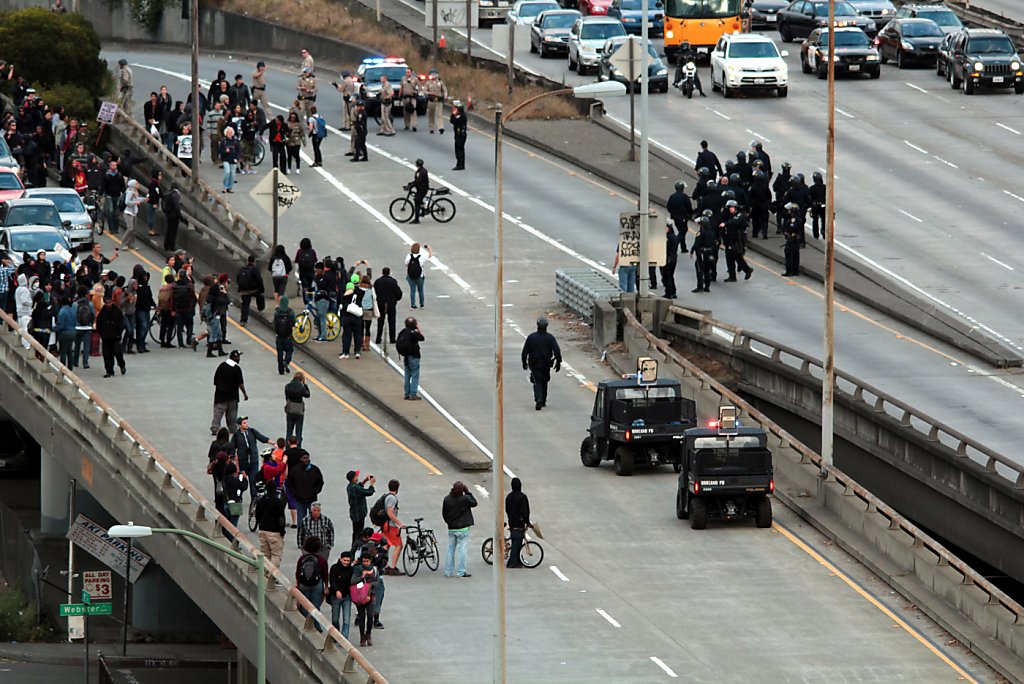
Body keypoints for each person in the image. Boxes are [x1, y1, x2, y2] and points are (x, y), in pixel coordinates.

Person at [521, 317, 562, 411]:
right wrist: (558, 362)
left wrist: (524, 362)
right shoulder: (550, 338)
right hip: (546, 362)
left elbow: (525, 351)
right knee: (544, 380)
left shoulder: (531, 337)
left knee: (537, 381)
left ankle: (538, 399)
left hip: (534, 363)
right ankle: (543, 400)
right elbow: (556, 351)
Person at [441, 481, 477, 578]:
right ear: (462, 489)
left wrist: (449, 522)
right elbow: (474, 503)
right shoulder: (465, 499)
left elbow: (444, 513)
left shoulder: (447, 499)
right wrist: (468, 492)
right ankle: (461, 571)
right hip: (463, 528)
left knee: (450, 550)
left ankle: (448, 571)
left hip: (452, 528)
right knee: (462, 550)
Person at [230, 416, 270, 498]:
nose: (246, 424)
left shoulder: (252, 431)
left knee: (253, 481)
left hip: (253, 462)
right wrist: (234, 462)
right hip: (242, 462)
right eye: (244, 423)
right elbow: (232, 449)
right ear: (239, 425)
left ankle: (254, 499)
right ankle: (238, 497)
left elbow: (261, 437)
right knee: (240, 482)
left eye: (246, 422)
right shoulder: (236, 436)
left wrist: (273, 443)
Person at [295, 536, 328, 631]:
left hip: (304, 585)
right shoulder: (321, 560)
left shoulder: (302, 559)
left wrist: (298, 585)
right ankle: (317, 627)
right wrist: (326, 586)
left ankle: (307, 624)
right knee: (315, 607)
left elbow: (297, 573)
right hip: (317, 585)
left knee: (305, 606)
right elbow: (325, 574)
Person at [211, 349, 247, 436]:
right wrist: (245, 394)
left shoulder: (221, 366)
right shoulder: (236, 369)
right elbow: (240, 383)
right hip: (232, 396)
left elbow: (215, 381)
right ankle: (232, 429)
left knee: (218, 412)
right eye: (238, 357)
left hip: (220, 395)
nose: (239, 358)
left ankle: (214, 428)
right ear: (235, 357)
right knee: (232, 414)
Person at [720, 200, 753, 282]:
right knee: (729, 258)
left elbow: (735, 221)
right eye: (729, 208)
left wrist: (726, 224)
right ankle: (732, 276)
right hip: (729, 239)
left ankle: (747, 269)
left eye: (732, 207)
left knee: (736, 255)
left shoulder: (740, 215)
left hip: (737, 239)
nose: (730, 209)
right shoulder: (729, 215)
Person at [351, 550, 378, 647]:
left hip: (371, 596)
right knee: (361, 616)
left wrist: (369, 585)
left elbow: (377, 582)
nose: (365, 563)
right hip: (360, 596)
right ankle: (362, 636)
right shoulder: (357, 569)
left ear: (370, 561)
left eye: (367, 561)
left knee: (370, 616)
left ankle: (368, 634)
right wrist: (362, 577)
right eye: (363, 561)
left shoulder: (374, 570)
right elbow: (353, 582)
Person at [256, 484, 287, 570]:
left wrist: (260, 524)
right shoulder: (278, 502)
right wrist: (282, 531)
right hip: (274, 531)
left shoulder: (261, 501)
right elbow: (281, 518)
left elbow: (257, 515)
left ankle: (264, 573)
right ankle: (271, 576)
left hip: (262, 530)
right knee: (276, 555)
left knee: (265, 554)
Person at [95, 299, 126, 378]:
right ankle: (109, 371)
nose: (108, 305)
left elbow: (121, 324)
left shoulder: (117, 312)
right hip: (106, 338)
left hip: (115, 337)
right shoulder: (103, 312)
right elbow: (99, 323)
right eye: (106, 303)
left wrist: (119, 334)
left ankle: (122, 365)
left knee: (118, 353)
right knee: (107, 355)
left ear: (112, 302)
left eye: (109, 303)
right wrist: (102, 333)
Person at [396, 316, 424, 401]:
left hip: (406, 356)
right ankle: (413, 394)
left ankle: (406, 393)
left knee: (407, 375)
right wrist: (418, 329)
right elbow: (422, 338)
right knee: (415, 375)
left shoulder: (403, 332)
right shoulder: (414, 333)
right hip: (414, 356)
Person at [505, 477, 531, 569]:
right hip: (519, 523)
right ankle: (512, 562)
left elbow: (507, 509)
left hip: (511, 522)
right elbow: (525, 512)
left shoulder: (509, 497)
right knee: (517, 542)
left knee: (515, 541)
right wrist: (527, 522)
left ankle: (517, 559)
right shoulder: (522, 497)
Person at [380, 479, 404, 575]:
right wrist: (399, 523)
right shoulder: (392, 498)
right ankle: (393, 567)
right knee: (399, 545)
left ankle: (385, 566)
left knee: (387, 544)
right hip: (390, 525)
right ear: (397, 488)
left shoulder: (386, 496)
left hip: (384, 524)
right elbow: (390, 513)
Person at [346, 471, 376, 550]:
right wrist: (371, 484)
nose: (357, 476)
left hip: (354, 513)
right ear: (353, 478)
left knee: (355, 532)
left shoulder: (350, 486)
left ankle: (354, 547)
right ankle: (356, 548)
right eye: (356, 476)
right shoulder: (355, 488)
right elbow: (368, 492)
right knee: (358, 533)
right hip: (359, 514)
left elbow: (359, 487)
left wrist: (365, 481)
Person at [328, 551, 355, 639]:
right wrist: (337, 590)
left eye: (348, 561)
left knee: (346, 619)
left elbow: (352, 583)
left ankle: (344, 638)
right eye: (344, 560)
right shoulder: (334, 568)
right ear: (340, 559)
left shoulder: (351, 570)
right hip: (335, 597)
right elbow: (332, 581)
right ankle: (336, 635)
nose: (346, 562)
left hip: (347, 597)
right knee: (335, 619)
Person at [372, 267, 402, 345]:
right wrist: (396, 300)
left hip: (381, 303)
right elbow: (398, 293)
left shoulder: (378, 281)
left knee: (380, 321)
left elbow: (374, 292)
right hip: (391, 304)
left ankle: (378, 338)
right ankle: (392, 338)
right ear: (389, 272)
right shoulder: (393, 281)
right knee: (392, 321)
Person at [236, 254, 265, 325]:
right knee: (260, 296)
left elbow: (238, 278)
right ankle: (260, 309)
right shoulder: (255, 269)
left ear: (247, 261)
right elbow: (259, 280)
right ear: (254, 261)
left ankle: (243, 320)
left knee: (245, 305)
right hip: (253, 290)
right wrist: (262, 289)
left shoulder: (242, 269)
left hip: (243, 291)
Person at [690, 216, 716, 293]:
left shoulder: (701, 232)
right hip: (709, 252)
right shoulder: (712, 232)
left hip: (701, 253)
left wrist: (692, 251)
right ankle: (707, 286)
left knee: (699, 269)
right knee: (707, 270)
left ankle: (700, 286)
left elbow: (697, 243)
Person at [222, 462, 247, 541]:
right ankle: (233, 542)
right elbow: (243, 486)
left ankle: (227, 536)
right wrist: (245, 478)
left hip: (226, 503)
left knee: (228, 523)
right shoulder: (234, 480)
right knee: (233, 526)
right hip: (235, 504)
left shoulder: (225, 479)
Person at [284, 370, 310, 444]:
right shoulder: (301, 387)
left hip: (290, 409)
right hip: (299, 410)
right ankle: (298, 447)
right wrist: (305, 385)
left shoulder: (288, 386)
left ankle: (288, 447)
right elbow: (307, 395)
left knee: (289, 431)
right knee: (298, 432)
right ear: (302, 379)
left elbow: (287, 397)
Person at [272, 295, 296, 375]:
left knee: (280, 352)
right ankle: (286, 361)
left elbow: (274, 323)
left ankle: (280, 369)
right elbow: (294, 322)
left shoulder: (277, 311)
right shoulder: (290, 312)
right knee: (289, 350)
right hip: (288, 335)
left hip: (279, 336)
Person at [666, 181, 691, 253]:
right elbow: (689, 207)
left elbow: (668, 207)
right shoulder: (685, 197)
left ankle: (683, 248)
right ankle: (675, 242)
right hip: (683, 217)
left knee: (681, 231)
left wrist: (673, 213)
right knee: (683, 231)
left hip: (675, 217)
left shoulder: (672, 196)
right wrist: (689, 215)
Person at [404, 242, 431, 309]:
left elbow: (406, 264)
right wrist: (429, 249)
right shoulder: (422, 256)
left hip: (410, 275)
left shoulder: (409, 256)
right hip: (420, 276)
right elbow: (430, 255)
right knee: (421, 290)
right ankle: (422, 304)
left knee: (412, 290)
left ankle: (413, 305)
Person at [782, 202, 802, 277]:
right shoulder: (799, 217)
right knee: (796, 254)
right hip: (796, 239)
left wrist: (788, 232)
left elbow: (792, 227)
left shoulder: (793, 219)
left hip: (792, 239)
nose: (788, 212)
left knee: (789, 254)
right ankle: (795, 270)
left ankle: (789, 271)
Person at [218, 125, 240, 194]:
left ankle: (230, 187)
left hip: (233, 160)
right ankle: (225, 187)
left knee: (232, 174)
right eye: (228, 133)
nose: (229, 134)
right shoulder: (223, 141)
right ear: (225, 133)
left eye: (230, 133)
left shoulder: (236, 141)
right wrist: (225, 151)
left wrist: (237, 158)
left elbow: (238, 151)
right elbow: (220, 151)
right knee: (227, 172)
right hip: (226, 159)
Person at [661, 223, 680, 299]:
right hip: (673, 258)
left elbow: (666, 248)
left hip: (668, 258)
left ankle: (668, 292)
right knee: (670, 275)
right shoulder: (675, 237)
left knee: (666, 276)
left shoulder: (667, 238)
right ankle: (673, 291)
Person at [162, 183, 182, 251]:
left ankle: (166, 245)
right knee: (173, 231)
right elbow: (177, 206)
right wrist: (179, 216)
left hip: (168, 214)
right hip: (174, 215)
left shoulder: (167, 193)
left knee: (168, 230)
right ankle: (171, 246)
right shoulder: (175, 195)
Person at [409, 159, 429, 223]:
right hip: (421, 188)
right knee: (418, 199)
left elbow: (418, 181)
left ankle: (416, 219)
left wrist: (411, 185)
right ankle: (423, 210)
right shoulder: (421, 170)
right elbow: (417, 180)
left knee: (417, 202)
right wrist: (411, 183)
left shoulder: (421, 172)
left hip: (422, 189)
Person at [450, 100, 467, 171]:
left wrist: (453, 115)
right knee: (460, 149)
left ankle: (460, 164)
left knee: (459, 149)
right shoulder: (462, 115)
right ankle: (461, 164)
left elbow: (452, 121)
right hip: (460, 134)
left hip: (460, 134)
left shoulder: (460, 116)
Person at [810, 171, 827, 240]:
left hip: (815, 206)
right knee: (824, 219)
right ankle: (824, 231)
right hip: (823, 205)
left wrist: (811, 206)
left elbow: (809, 198)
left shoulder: (812, 188)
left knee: (815, 220)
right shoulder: (825, 187)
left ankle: (816, 234)